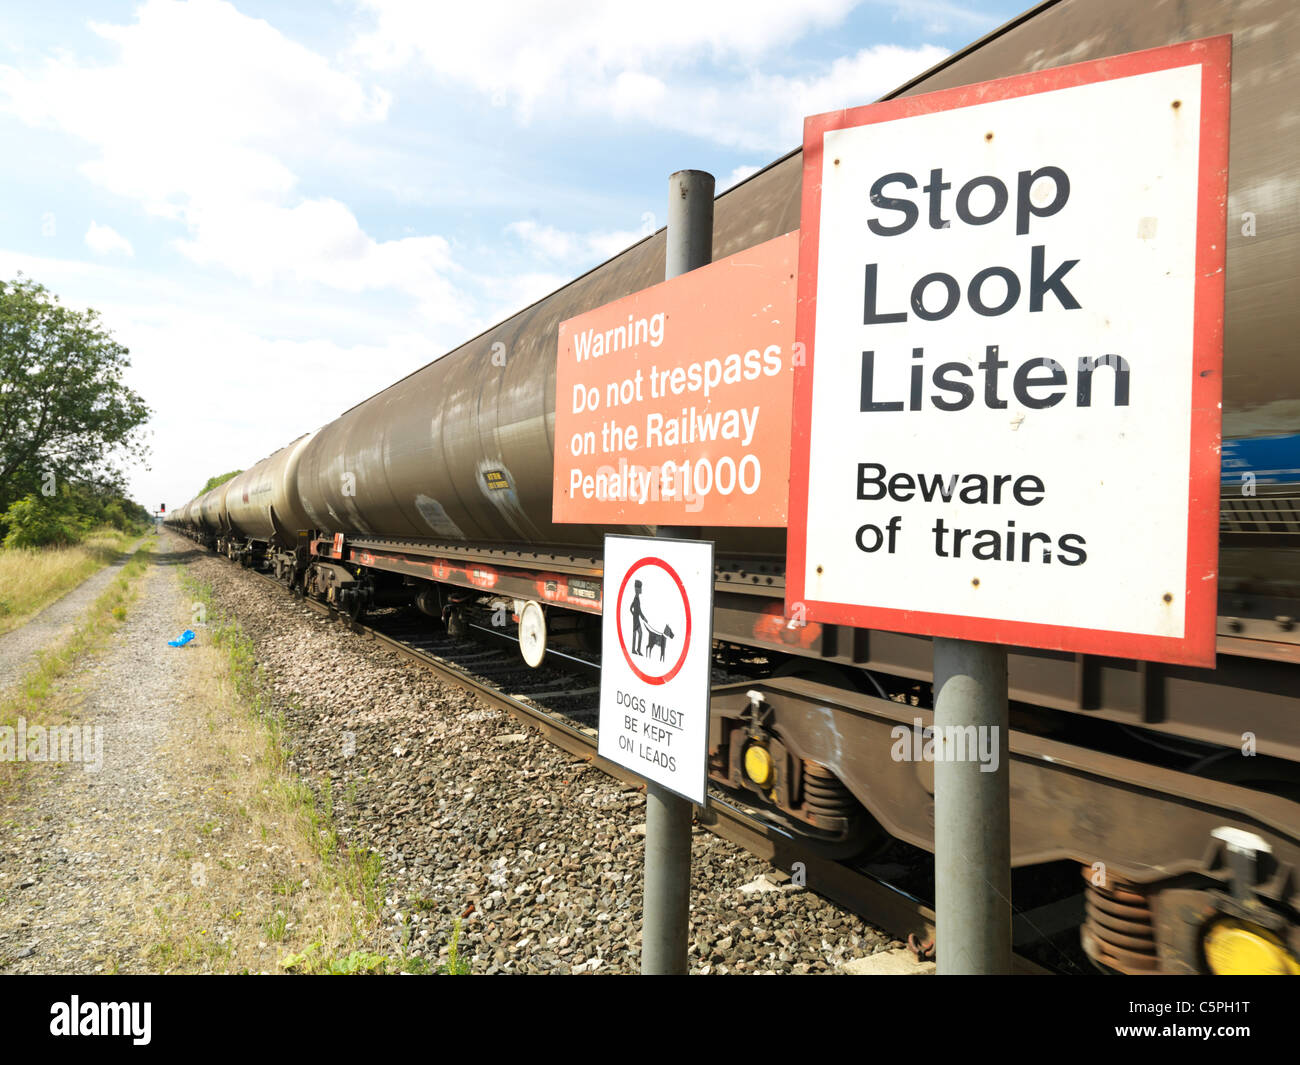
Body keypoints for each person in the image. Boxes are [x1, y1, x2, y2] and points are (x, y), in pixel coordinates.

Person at [629, 579, 645, 655]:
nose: (641, 589)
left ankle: (634, 649)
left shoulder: (636, 598)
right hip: (636, 620)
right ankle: (636, 649)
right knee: (639, 634)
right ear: (637, 589)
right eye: (640, 588)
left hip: (635, 619)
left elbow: (630, 608)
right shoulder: (636, 599)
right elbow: (639, 610)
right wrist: (643, 617)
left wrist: (634, 614)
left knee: (636, 634)